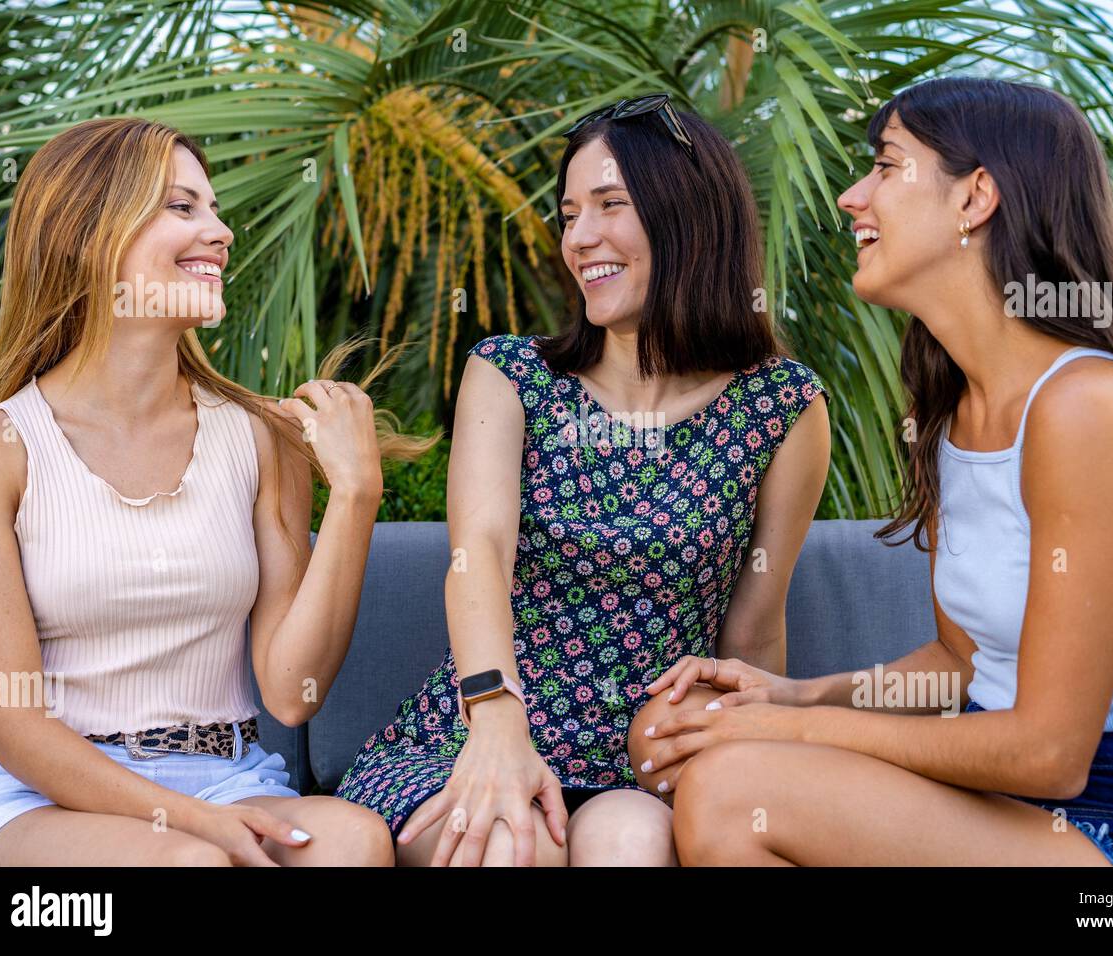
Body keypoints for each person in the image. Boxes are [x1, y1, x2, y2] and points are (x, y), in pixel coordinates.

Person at [641, 77, 1113, 866]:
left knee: (734, 790)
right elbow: (961, 666)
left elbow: (1051, 754)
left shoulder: (1087, 408)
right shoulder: (958, 411)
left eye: (887, 166)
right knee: (672, 736)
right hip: (1014, 817)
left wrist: (783, 727)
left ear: (976, 198)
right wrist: (793, 693)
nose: (850, 196)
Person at [334, 94, 832, 866]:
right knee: (505, 843)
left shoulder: (782, 404)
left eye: (610, 205)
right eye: (570, 214)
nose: (580, 239)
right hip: (473, 732)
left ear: (689, 216)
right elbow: (481, 554)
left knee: (629, 845)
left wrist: (751, 765)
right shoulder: (510, 374)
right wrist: (497, 721)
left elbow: (753, 631)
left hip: (644, 766)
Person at [0, 117, 436, 866]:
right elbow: (16, 731)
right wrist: (189, 824)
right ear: (90, 234)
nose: (219, 232)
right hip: (41, 798)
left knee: (353, 842)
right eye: (182, 208)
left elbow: (291, 694)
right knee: (193, 864)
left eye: (215, 211)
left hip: (225, 775)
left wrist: (355, 493)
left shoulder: (257, 437)